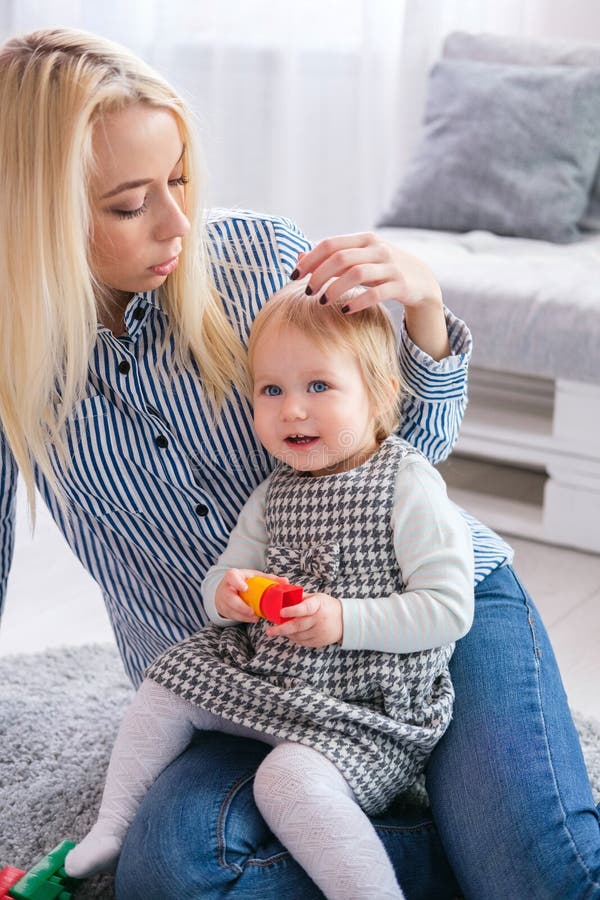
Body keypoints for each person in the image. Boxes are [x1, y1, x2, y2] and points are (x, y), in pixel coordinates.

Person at [0, 26, 597, 900]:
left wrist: (424, 310)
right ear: (33, 213)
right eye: (130, 205)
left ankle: (471, 834)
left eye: (180, 181)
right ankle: (435, 839)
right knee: (174, 872)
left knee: (539, 875)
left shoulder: (257, 261)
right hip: (245, 678)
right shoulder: (12, 359)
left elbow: (407, 458)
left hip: (424, 612)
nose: (177, 223)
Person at [64, 285, 475, 898]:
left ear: (380, 394)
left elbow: (449, 608)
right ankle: (115, 824)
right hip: (277, 683)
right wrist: (227, 595)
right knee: (169, 681)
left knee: (285, 783)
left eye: (319, 386)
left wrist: (343, 619)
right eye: (271, 390)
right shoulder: (274, 492)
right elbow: (228, 573)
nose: (292, 411)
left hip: (366, 711)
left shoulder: (406, 482)